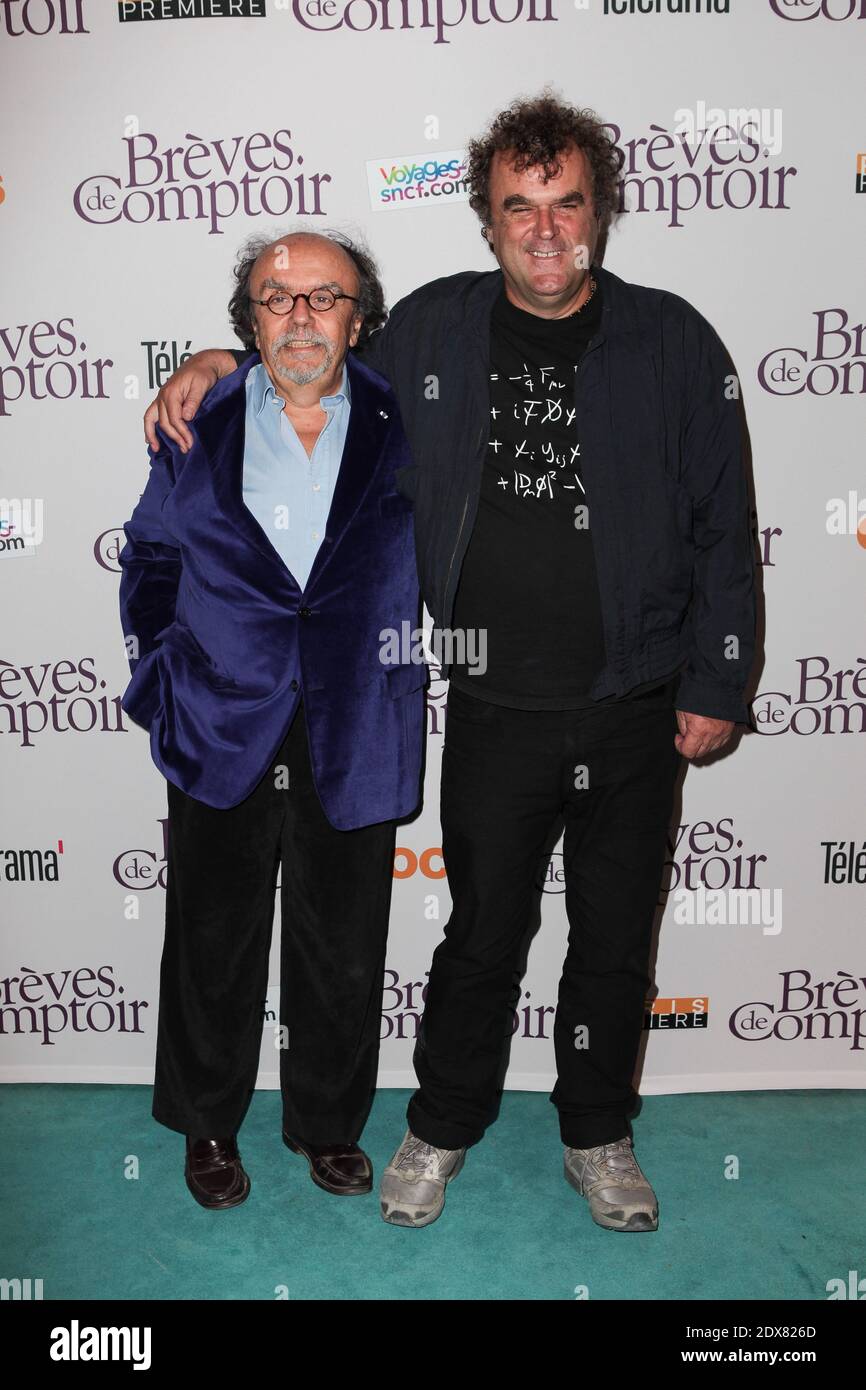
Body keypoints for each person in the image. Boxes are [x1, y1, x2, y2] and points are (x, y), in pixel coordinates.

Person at [143, 92, 756, 1232]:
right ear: (484, 220)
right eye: (516, 207)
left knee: (615, 940)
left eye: (563, 203)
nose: (542, 230)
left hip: (634, 699)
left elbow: (724, 517)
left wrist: (716, 680)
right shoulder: (430, 329)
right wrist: (212, 356)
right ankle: (440, 1125)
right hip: (490, 701)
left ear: (597, 211)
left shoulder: (674, 341)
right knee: (480, 935)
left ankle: (596, 1131)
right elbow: (308, 355)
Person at [121, 229, 426, 1209]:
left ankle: (325, 1124)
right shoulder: (201, 414)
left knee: (341, 943)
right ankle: (207, 1123)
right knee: (211, 938)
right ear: (246, 320)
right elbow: (151, 553)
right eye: (274, 297)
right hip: (219, 715)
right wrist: (160, 670)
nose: (298, 315)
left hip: (355, 719)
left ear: (360, 314)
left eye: (322, 295)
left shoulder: (409, 415)